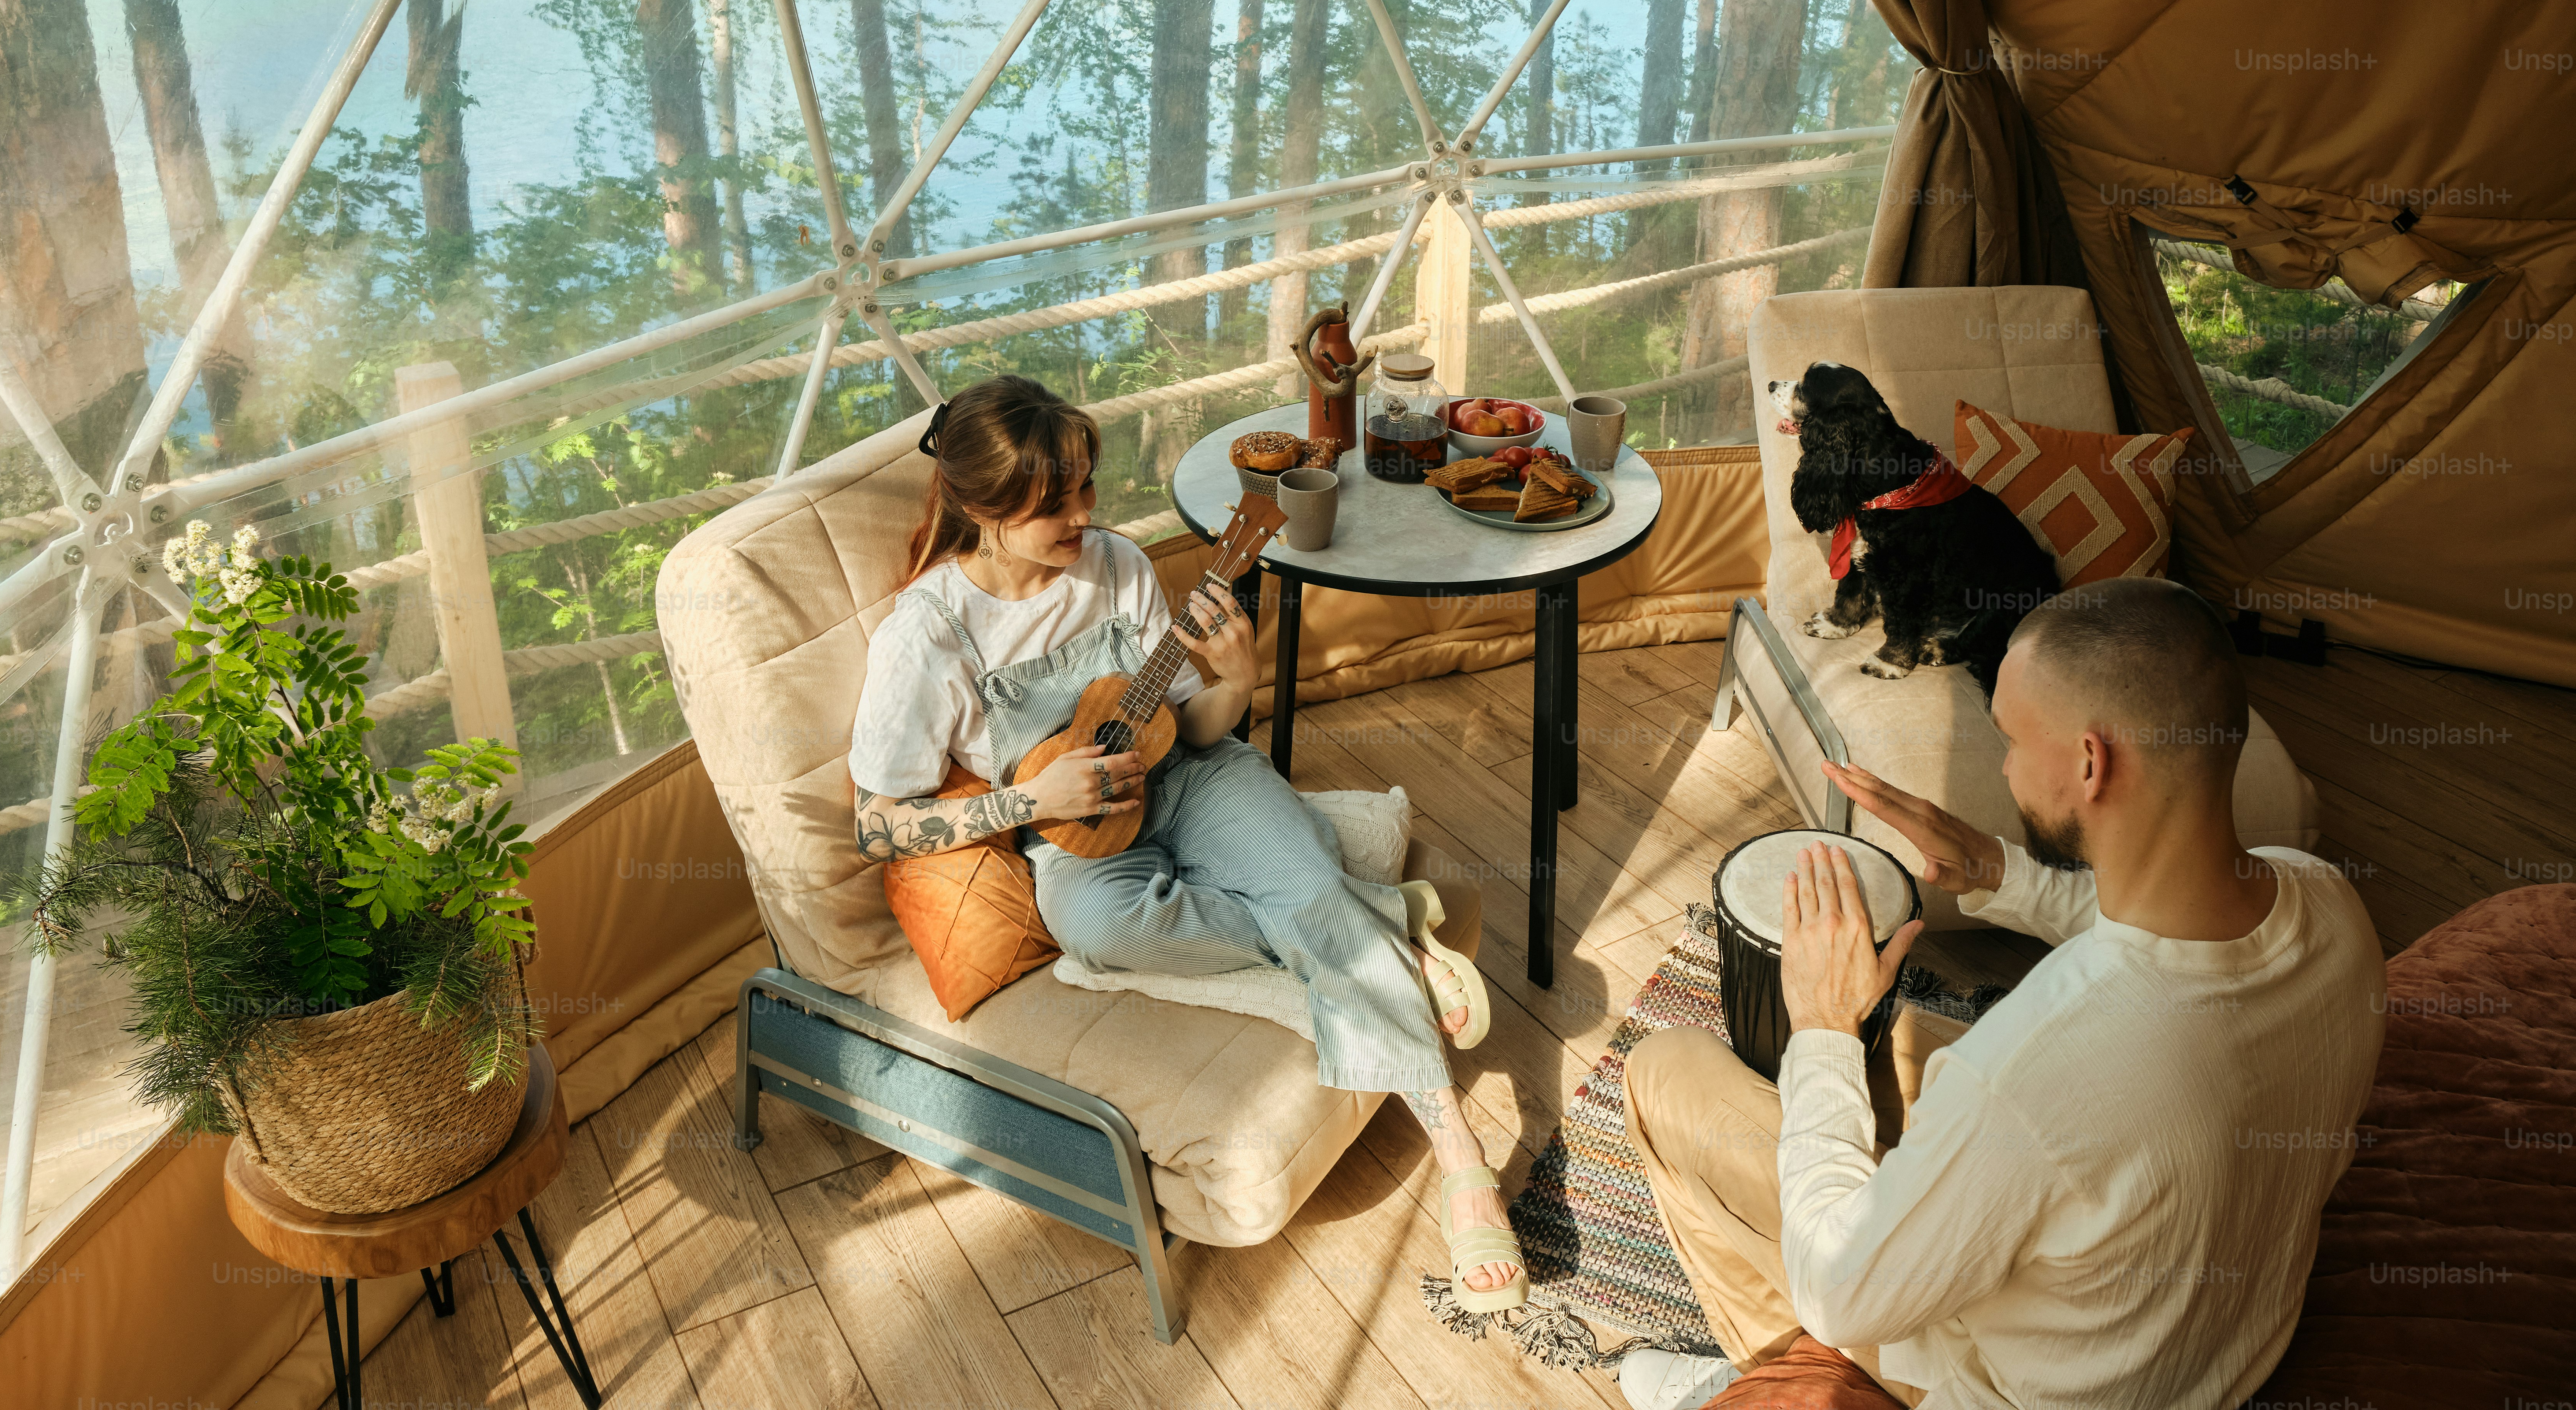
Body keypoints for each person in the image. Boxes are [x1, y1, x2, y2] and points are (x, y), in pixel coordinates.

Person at [1616, 577, 2386, 1410]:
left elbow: (1838, 1288)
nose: (2006, 765)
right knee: (1909, 1047)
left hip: (1996, 1387)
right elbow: (2158, 928)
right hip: (2213, 1354)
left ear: (2090, 763)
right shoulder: (2330, 902)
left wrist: (1824, 1030)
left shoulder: (2040, 1066)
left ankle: (1770, 1369)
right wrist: (2000, 873)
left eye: (2012, 741)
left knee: (1667, 1069)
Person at [846, 376, 1528, 1309]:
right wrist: (1027, 799)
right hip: (1078, 843)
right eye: (1057, 504)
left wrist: (1236, 682)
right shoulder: (927, 637)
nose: (1086, 516)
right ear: (977, 506)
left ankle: (1459, 1149)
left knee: (1293, 881)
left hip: (1197, 781)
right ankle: (1372, 919)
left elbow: (1193, 731)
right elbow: (874, 823)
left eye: (1086, 487)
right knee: (1103, 930)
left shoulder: (1114, 565)